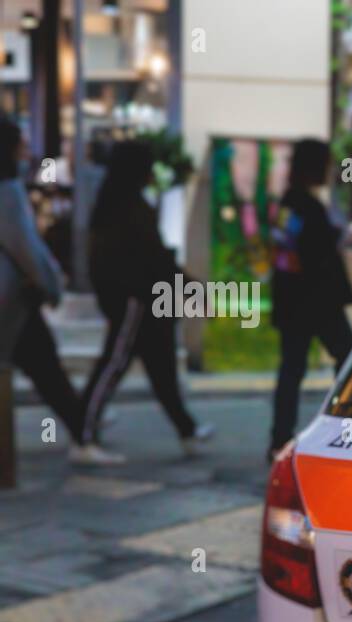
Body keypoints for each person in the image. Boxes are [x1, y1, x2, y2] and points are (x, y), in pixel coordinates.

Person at [0, 115, 122, 466]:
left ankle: (81, 424)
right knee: (46, 369)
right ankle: (82, 432)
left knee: (46, 369)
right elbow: (26, 248)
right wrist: (53, 284)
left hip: (14, 303)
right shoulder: (8, 191)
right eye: (20, 143)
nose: (26, 149)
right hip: (11, 301)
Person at [82, 139, 213, 457]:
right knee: (117, 363)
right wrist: (191, 290)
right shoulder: (129, 208)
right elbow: (153, 259)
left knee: (160, 367)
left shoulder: (116, 204)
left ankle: (187, 431)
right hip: (137, 300)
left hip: (144, 299)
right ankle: (82, 435)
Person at [269, 138, 352, 459]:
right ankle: (342, 431)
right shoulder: (309, 207)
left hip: (292, 299)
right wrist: (337, 238)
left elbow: (286, 249)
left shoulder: (288, 203)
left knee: (291, 369)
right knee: (349, 359)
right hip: (317, 302)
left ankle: (279, 439)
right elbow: (316, 255)